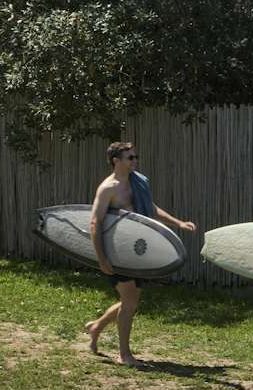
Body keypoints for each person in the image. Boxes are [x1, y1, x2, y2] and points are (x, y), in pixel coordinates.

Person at [84, 141, 197, 365]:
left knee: (131, 299)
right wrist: (102, 258)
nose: (135, 161)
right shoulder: (108, 188)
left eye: (136, 157)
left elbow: (151, 208)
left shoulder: (137, 182)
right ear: (116, 161)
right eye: (130, 158)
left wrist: (178, 223)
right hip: (116, 251)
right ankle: (124, 355)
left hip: (135, 251)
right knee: (130, 301)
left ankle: (97, 327)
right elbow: (95, 223)